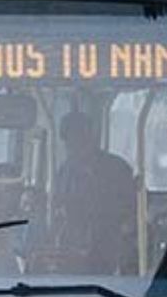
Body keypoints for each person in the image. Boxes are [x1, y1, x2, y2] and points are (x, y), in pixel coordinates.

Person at [52, 111, 138, 274]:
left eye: (79, 138)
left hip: (110, 244)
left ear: (90, 137)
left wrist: (124, 236)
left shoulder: (117, 169)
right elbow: (59, 207)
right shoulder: (64, 173)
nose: (74, 145)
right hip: (73, 246)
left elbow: (131, 209)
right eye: (69, 140)